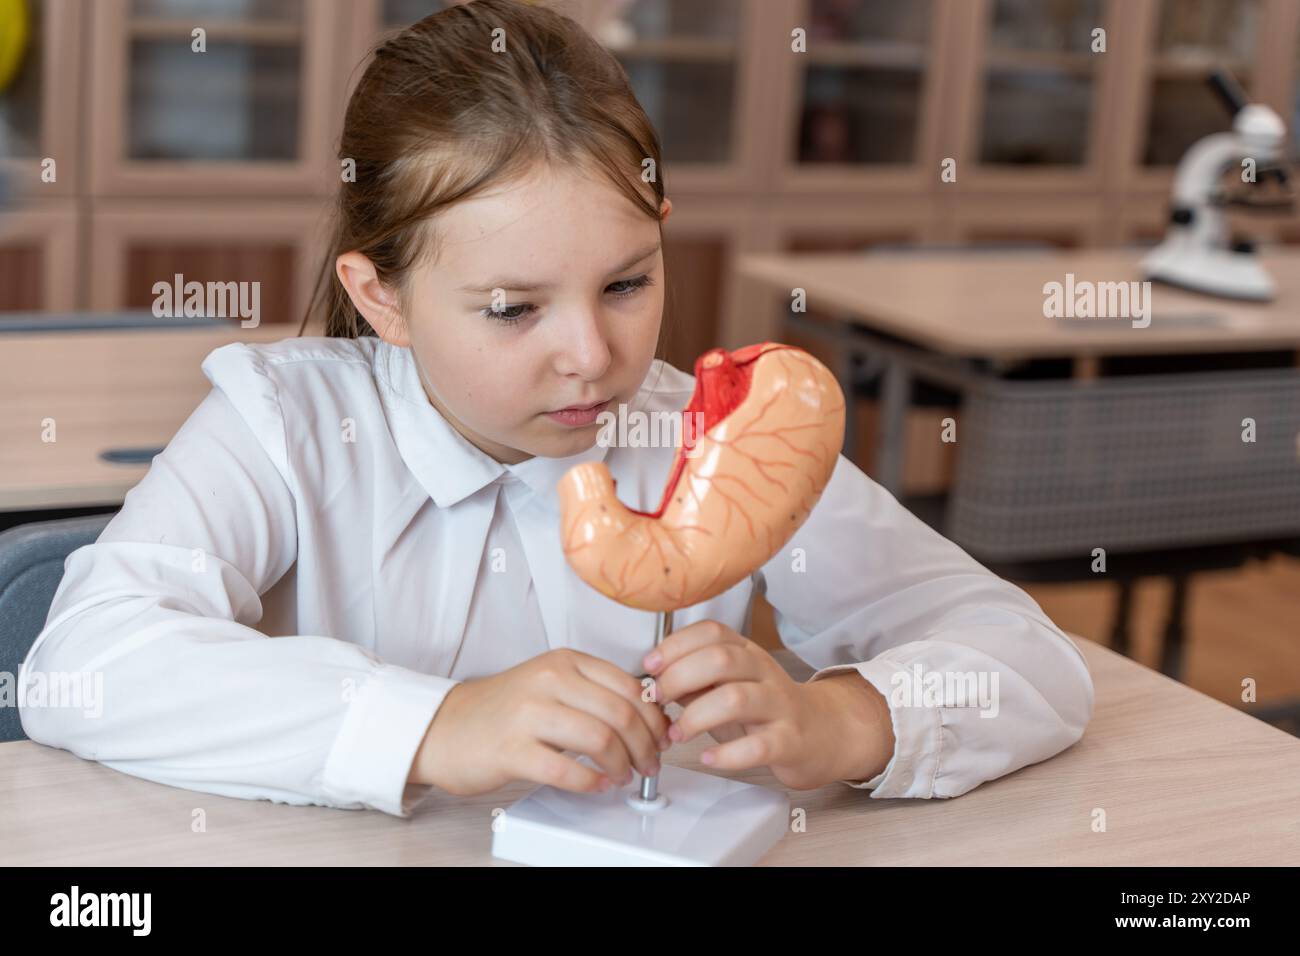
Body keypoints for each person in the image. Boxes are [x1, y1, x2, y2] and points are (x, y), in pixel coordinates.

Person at [19, 0, 1092, 818]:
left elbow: (1027, 653)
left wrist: (842, 718)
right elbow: (89, 662)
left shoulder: (710, 440)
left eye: (627, 283)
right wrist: (437, 721)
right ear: (378, 294)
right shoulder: (286, 423)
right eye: (511, 307)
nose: (592, 356)